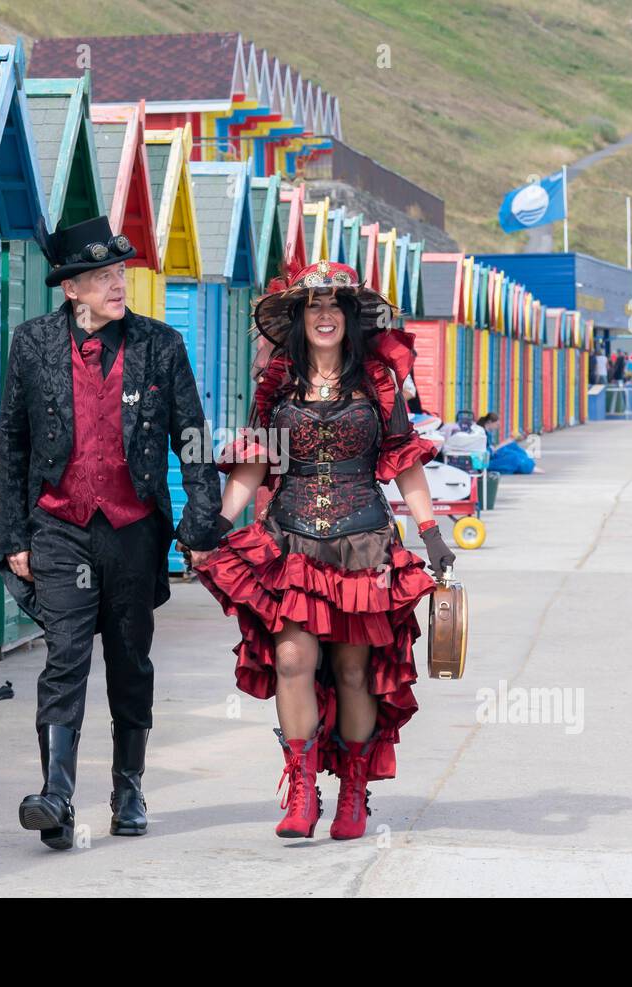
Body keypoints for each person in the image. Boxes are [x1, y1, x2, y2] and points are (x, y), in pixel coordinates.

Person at [190, 260, 454, 841]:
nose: (326, 314)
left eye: (336, 304)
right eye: (315, 305)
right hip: (291, 543)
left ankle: (353, 795)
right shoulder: (278, 386)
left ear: (350, 318)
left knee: (354, 671)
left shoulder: (379, 384)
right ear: (300, 316)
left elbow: (404, 460)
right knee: (292, 660)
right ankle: (303, 790)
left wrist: (432, 532)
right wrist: (211, 525)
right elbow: (256, 462)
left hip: (364, 544)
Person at [0, 216, 224, 850]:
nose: (117, 283)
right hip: (59, 526)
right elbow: (13, 442)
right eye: (100, 276)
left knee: (130, 661)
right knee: (64, 659)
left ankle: (128, 787)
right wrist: (13, 536)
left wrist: (199, 524)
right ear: (71, 289)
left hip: (132, 530)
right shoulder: (32, 343)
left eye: (120, 272)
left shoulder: (161, 344)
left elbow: (194, 440)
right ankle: (56, 796)